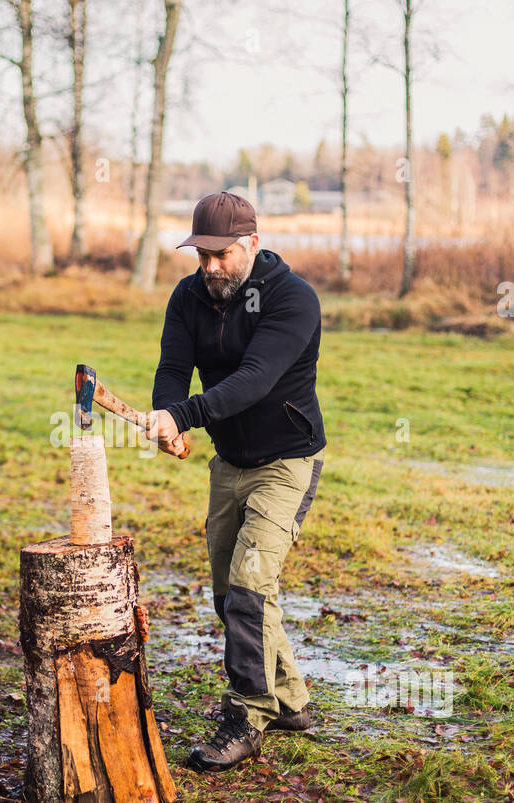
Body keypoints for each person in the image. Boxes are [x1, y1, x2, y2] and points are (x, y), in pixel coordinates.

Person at [147, 191, 326, 772]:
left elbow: (253, 379)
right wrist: (167, 416)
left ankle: (246, 717)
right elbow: (175, 367)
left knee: (250, 587)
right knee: (231, 595)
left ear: (251, 242)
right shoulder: (189, 295)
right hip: (229, 464)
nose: (209, 267)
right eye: (200, 254)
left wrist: (187, 413)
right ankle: (292, 702)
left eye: (220, 255)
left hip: (286, 463)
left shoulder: (292, 300)